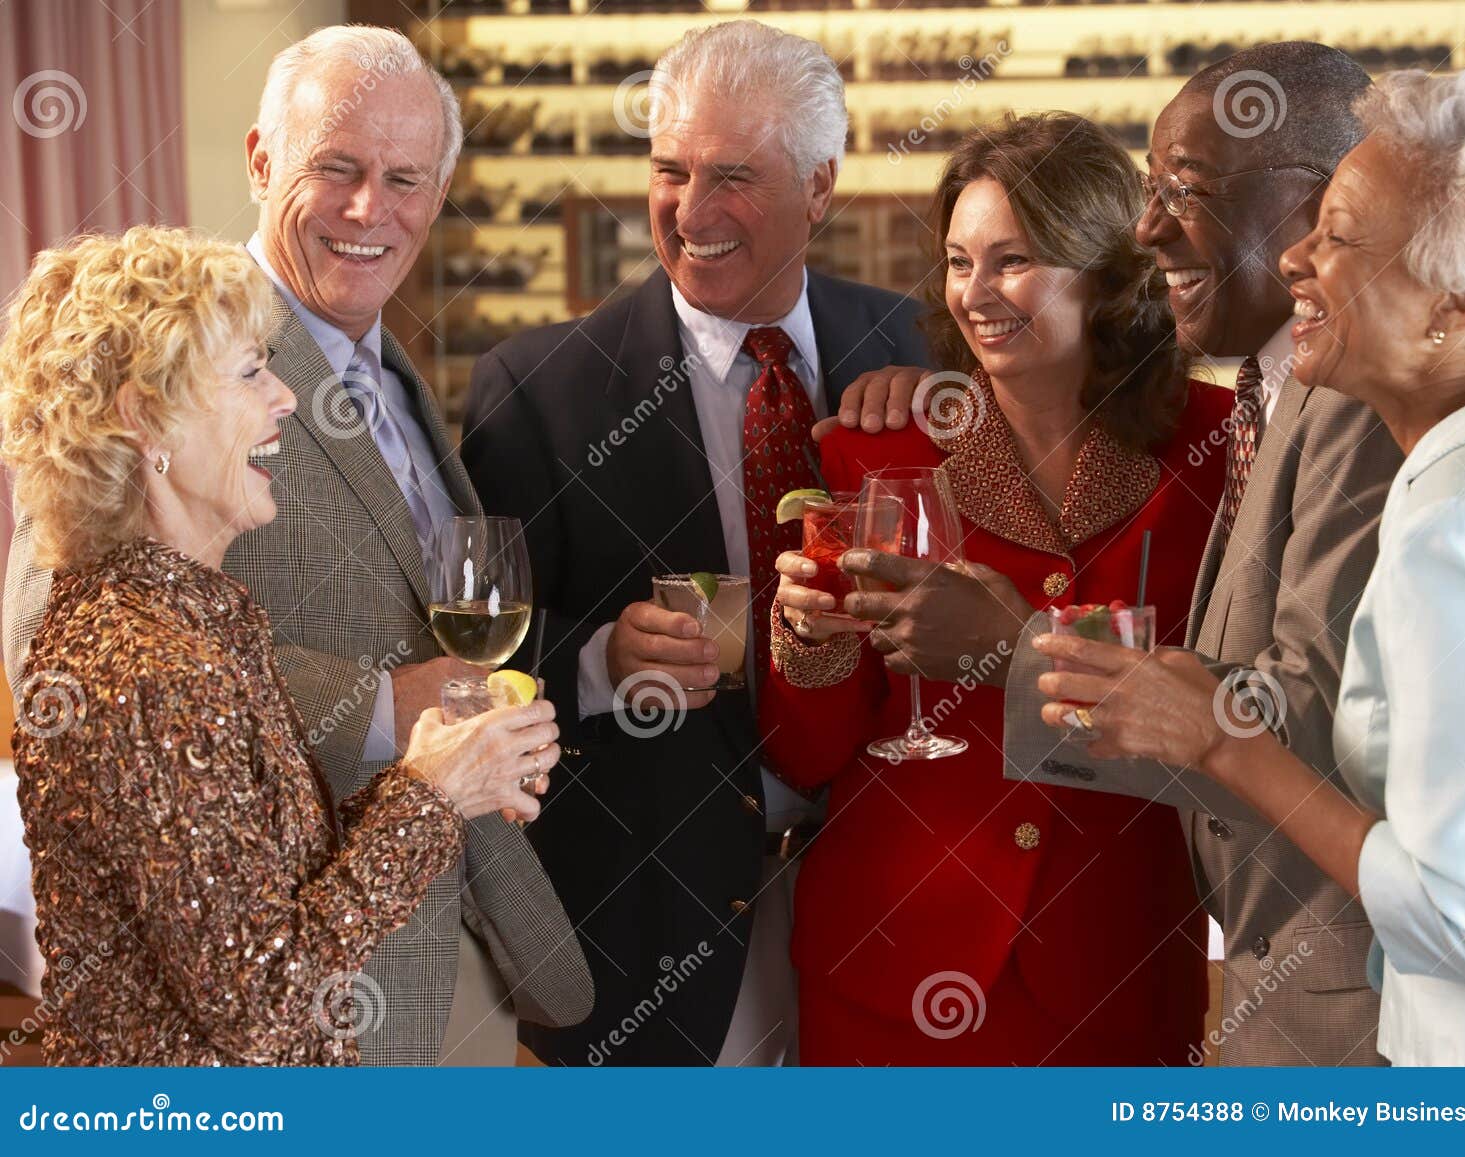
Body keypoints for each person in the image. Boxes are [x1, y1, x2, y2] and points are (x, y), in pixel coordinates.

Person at [2, 25, 592, 1066]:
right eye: (338, 169)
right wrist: (383, 712)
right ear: (261, 161)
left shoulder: (390, 363)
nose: (373, 209)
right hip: (306, 1008)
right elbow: (44, 627)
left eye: (406, 177)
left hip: (453, 942)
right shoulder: (177, 361)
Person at [835, 42, 1404, 1065]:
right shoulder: (1271, 403)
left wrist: (1024, 650)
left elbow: (1308, 719)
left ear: (1316, 207)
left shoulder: (1331, 408)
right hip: (923, 972)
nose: (1151, 230)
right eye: (959, 261)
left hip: (1289, 997)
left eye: (1181, 192)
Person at [1041, 68, 1465, 1066]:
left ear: (1459, 299)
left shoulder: (1463, 527)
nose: (1297, 255)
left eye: (1337, 235)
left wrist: (1223, 741)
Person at [462, 20, 929, 1066]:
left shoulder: (914, 345)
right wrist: (599, 658)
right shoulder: (537, 388)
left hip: (887, 909)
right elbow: (470, 658)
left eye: (732, 176)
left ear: (820, 186)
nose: (691, 209)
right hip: (647, 935)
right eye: (670, 170)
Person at [759, 113, 1231, 1065]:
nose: (976, 295)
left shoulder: (1217, 449)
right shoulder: (873, 451)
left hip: (1120, 969)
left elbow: (1224, 693)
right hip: (884, 965)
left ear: (1105, 270)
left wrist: (1020, 641)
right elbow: (809, 753)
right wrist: (807, 640)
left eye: (1012, 260)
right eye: (958, 261)